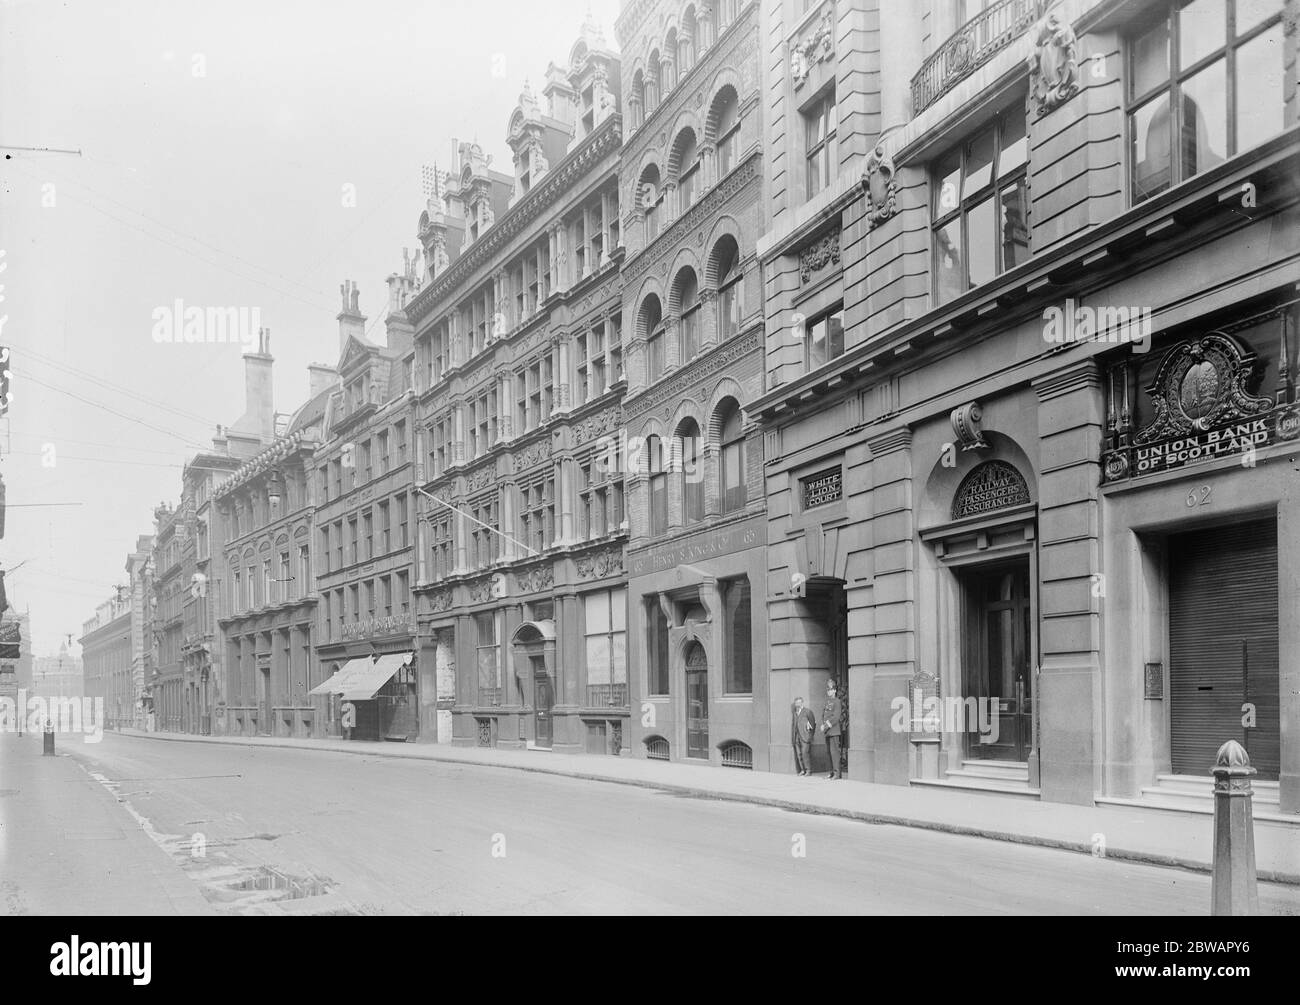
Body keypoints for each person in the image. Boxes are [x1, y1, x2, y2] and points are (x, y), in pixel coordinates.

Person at [821, 681, 843, 779]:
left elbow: (836, 717)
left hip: (833, 731)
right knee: (829, 752)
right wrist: (823, 725)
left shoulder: (837, 701)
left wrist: (825, 726)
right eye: (828, 690)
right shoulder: (827, 701)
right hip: (828, 732)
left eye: (830, 690)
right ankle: (832, 772)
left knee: (834, 753)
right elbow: (824, 715)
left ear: (834, 690)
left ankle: (837, 773)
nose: (828, 692)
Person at [791, 697, 817, 776]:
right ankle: (802, 770)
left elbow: (813, 724)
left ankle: (808, 770)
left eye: (799, 703)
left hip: (805, 737)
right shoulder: (795, 713)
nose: (797, 704)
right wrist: (793, 737)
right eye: (796, 703)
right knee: (799, 754)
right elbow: (794, 725)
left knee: (805, 753)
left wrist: (810, 736)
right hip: (797, 737)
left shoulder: (807, 712)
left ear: (802, 703)